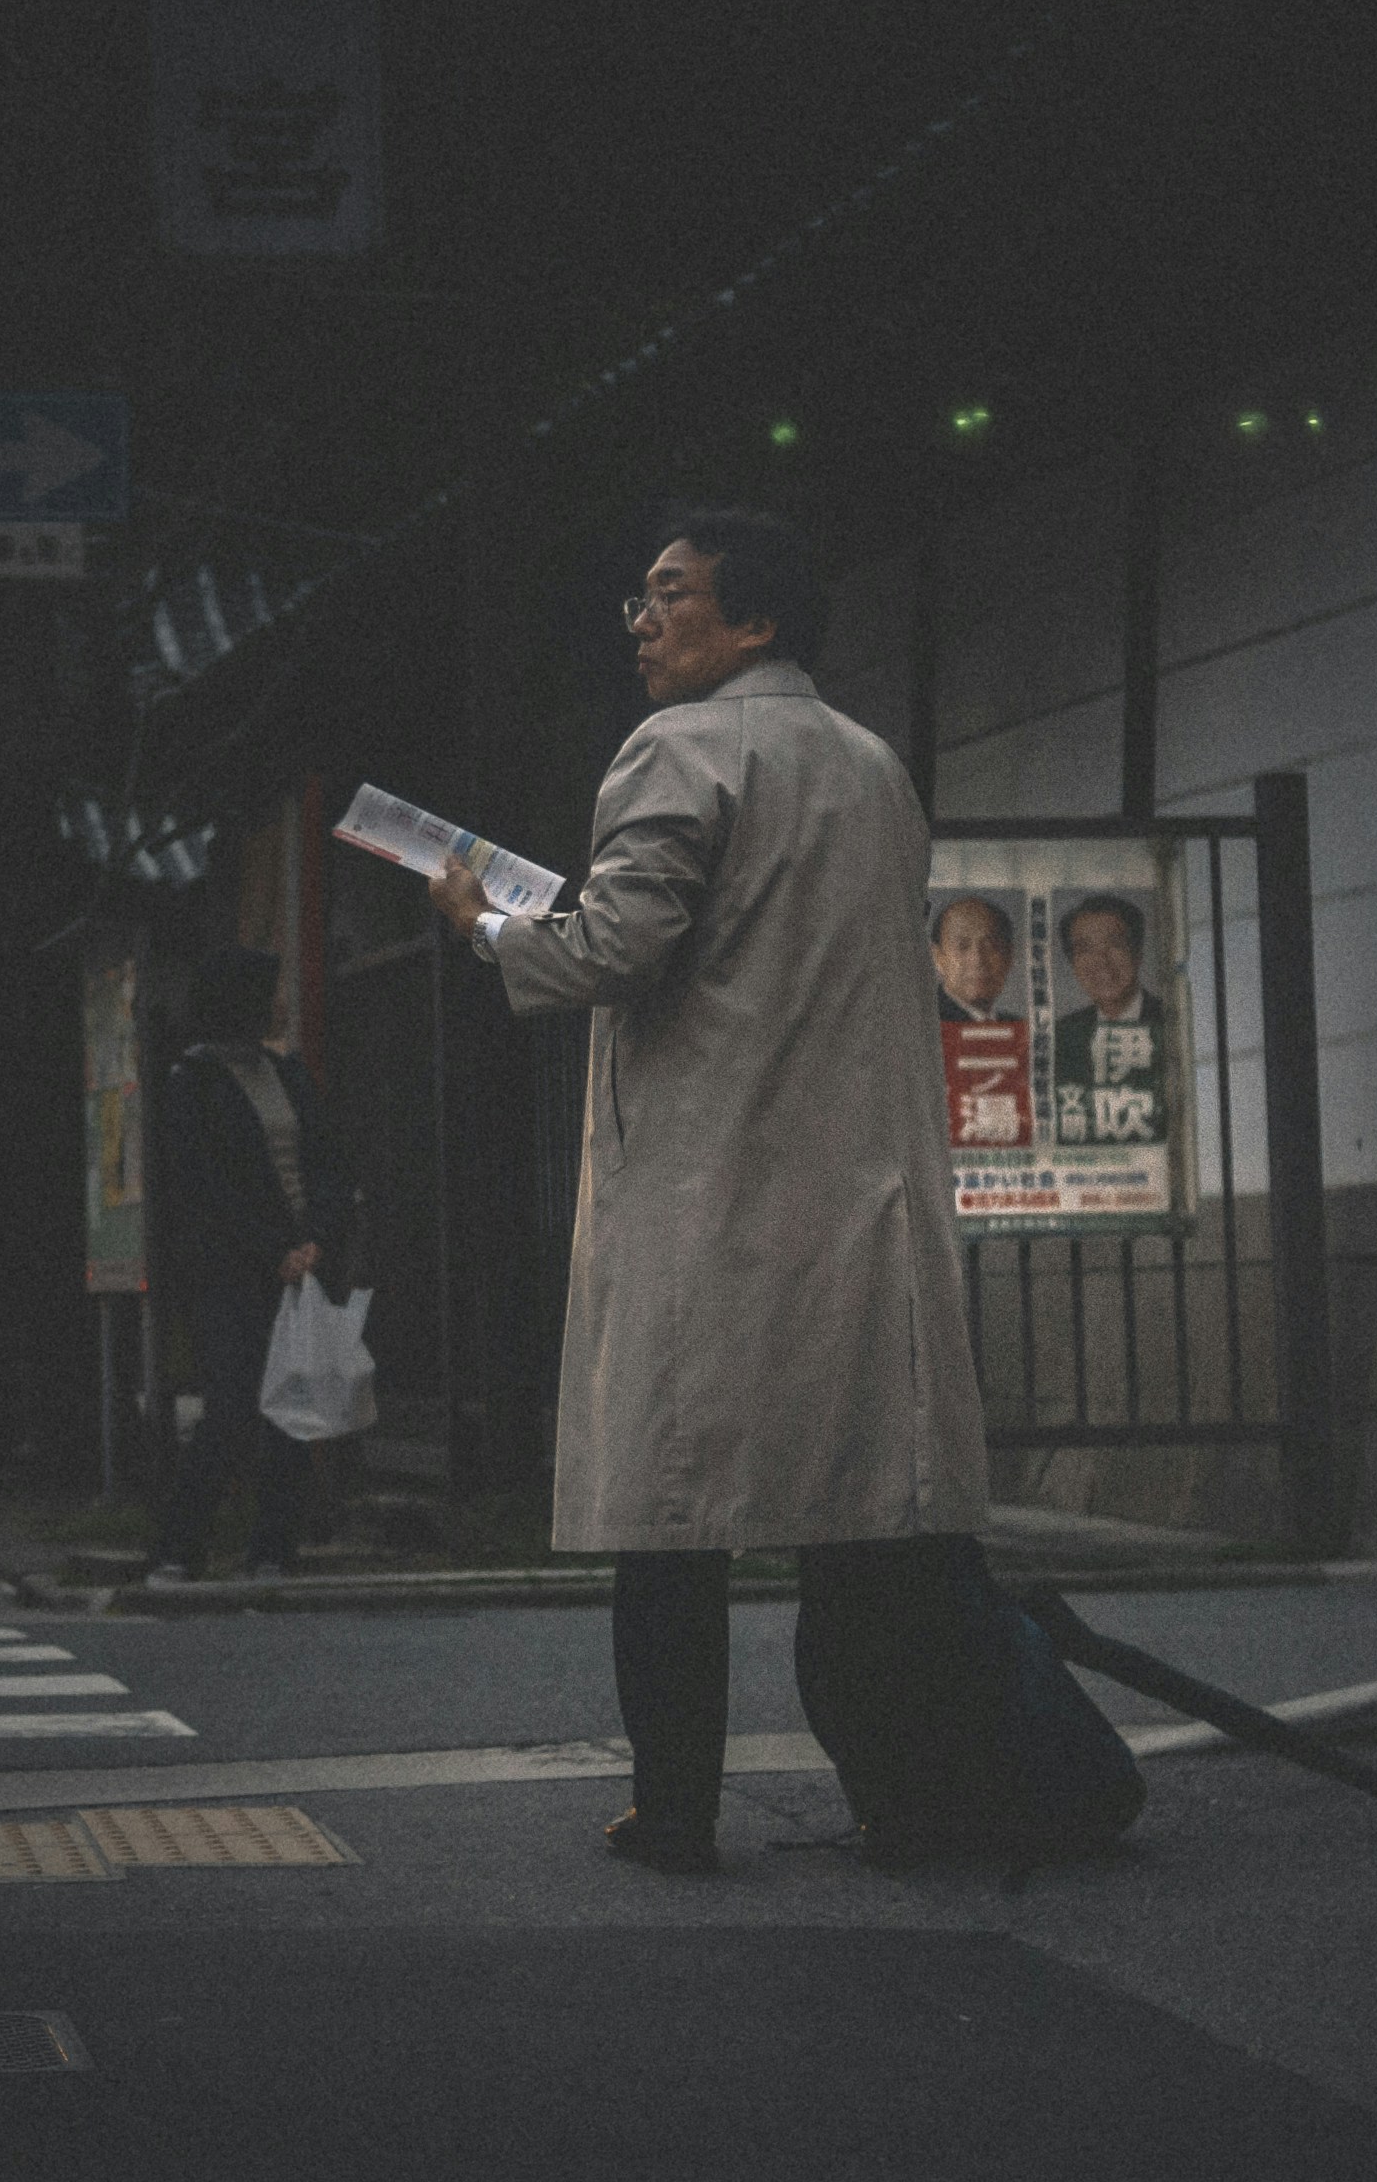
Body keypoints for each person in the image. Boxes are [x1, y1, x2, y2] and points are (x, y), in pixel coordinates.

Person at [429, 509, 996, 1873]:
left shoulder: (678, 748)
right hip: (856, 1195)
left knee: (672, 1521)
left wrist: (487, 922)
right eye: (640, 596)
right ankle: (898, 1796)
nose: (640, 621)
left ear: (752, 622)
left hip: (710, 1197)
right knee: (856, 1514)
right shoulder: (871, 764)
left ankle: (674, 1808)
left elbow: (610, 951)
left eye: (669, 594)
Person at [144, 947, 354, 1586]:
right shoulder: (193, 1081)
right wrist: (273, 1249)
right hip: (230, 1271)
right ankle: (180, 1547)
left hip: (301, 1263)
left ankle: (273, 1549)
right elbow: (203, 1186)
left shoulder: (287, 1072)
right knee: (231, 1405)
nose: (281, 1002)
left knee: (293, 1409)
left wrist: (315, 1240)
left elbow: (325, 1160)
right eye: (271, 991)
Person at [1049, 894, 1168, 1145]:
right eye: (1085, 949)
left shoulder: (1171, 1022)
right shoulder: (1061, 1035)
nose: (1101, 961)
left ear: (1138, 952)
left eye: (1114, 944)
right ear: (1072, 963)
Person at [930, 895, 1017, 1021]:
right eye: (962, 946)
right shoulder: (925, 1020)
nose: (977, 959)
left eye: (990, 946)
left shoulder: (1017, 1024)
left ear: (1008, 956)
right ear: (938, 957)